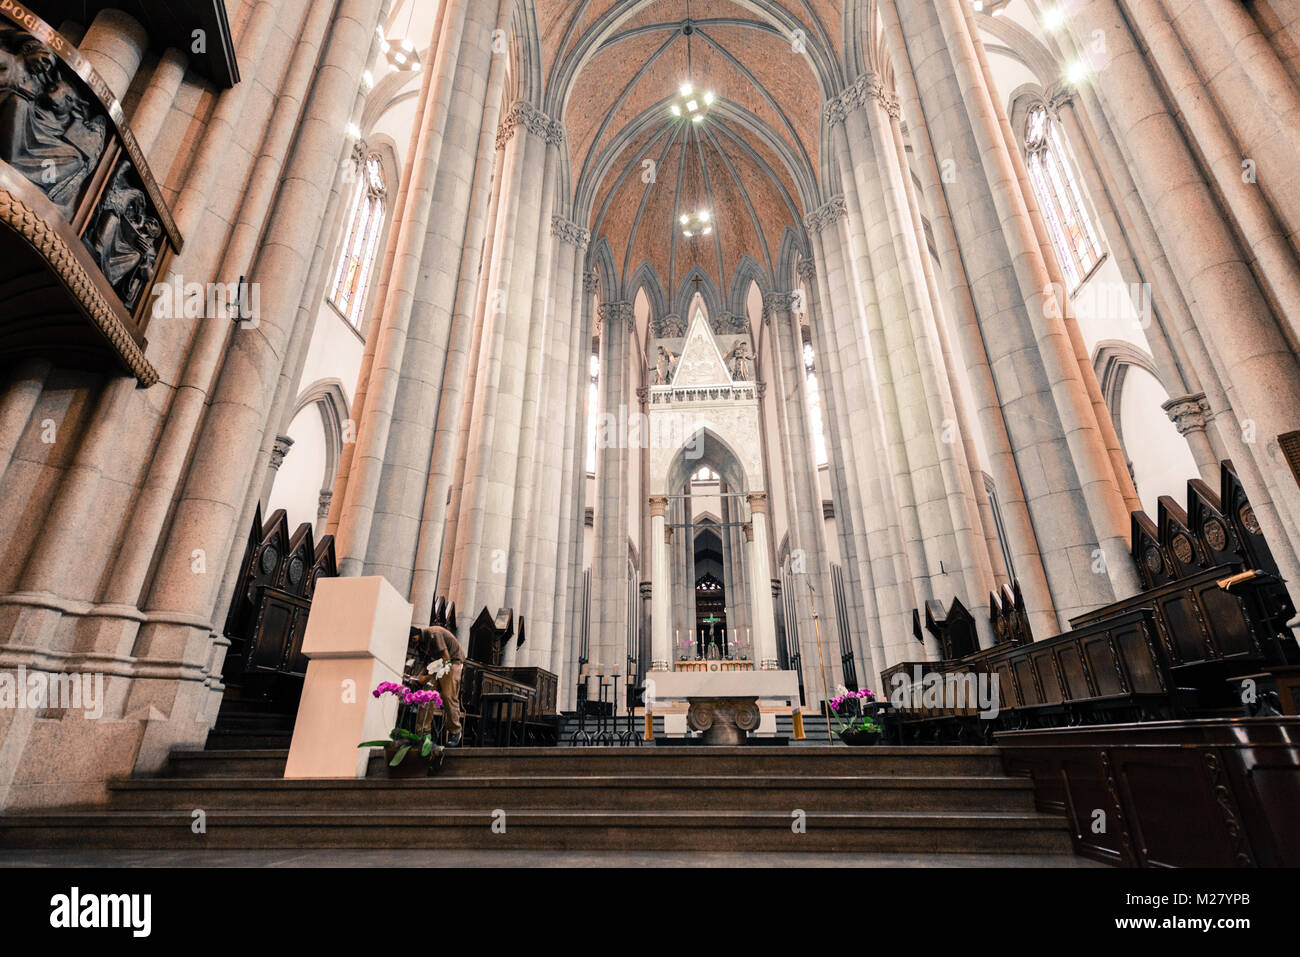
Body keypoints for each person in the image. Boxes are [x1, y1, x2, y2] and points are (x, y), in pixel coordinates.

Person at [413, 620, 466, 746]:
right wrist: (419, 677)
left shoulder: (434, 633)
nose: (413, 643)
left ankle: (455, 731)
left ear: (417, 634)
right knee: (426, 696)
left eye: (413, 639)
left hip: (452, 662)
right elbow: (426, 663)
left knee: (448, 696)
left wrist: (427, 677)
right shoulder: (420, 643)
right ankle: (423, 733)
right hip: (437, 664)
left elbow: (446, 658)